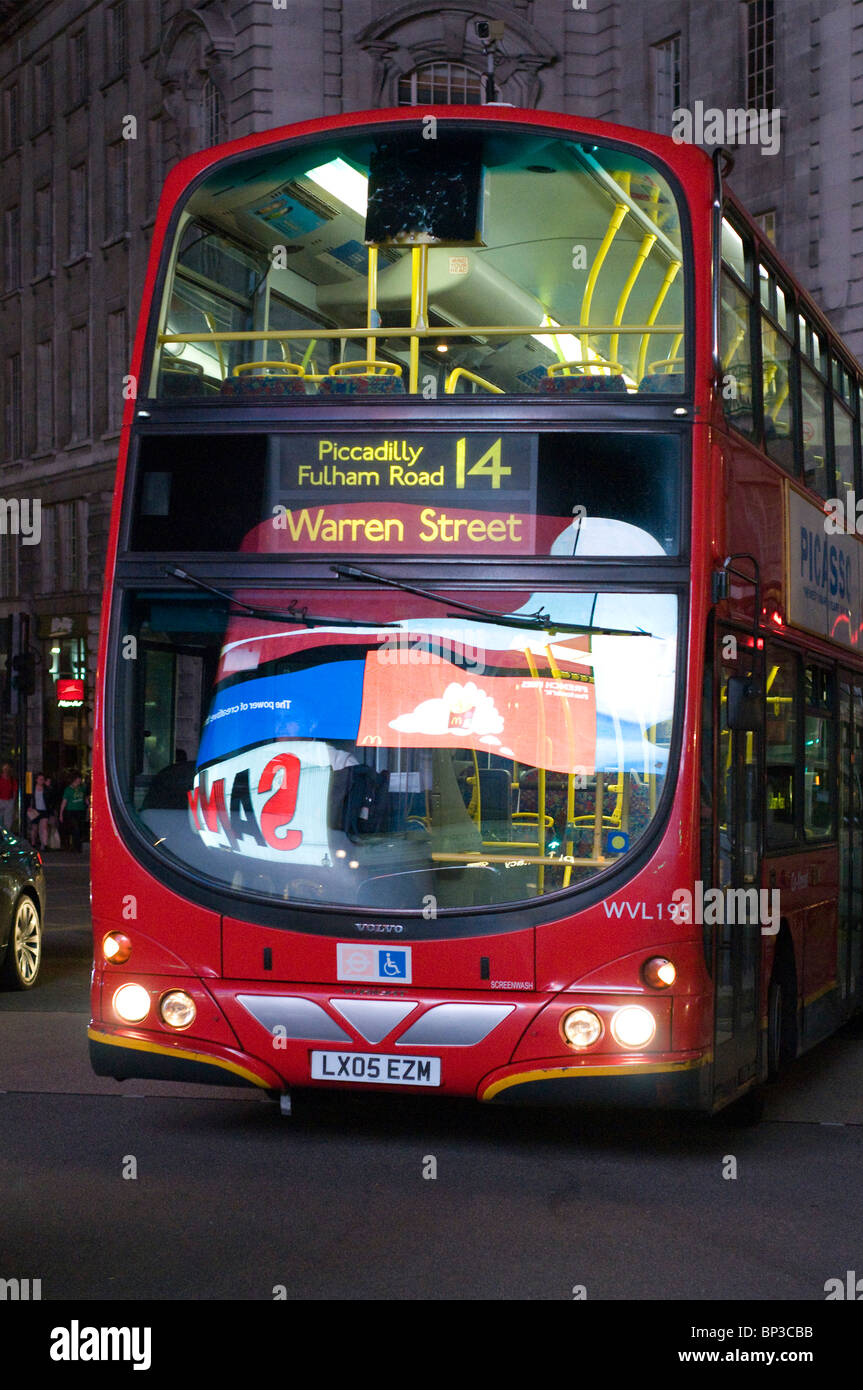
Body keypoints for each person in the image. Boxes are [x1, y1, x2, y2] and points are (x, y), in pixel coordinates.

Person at [25, 773, 57, 849]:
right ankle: (33, 843)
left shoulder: (46, 789)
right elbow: (28, 798)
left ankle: (44, 844)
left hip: (44, 810)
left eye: (43, 779)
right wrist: (28, 806)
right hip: (34, 810)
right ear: (36, 780)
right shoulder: (32, 789)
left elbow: (51, 799)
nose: (41, 781)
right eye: (40, 779)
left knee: (44, 827)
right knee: (34, 828)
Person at [60, 772, 88, 853]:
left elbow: (85, 798)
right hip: (71, 811)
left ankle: (77, 845)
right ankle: (76, 846)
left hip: (80, 810)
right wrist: (61, 814)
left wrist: (88, 805)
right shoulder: (68, 790)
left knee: (80, 827)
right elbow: (64, 802)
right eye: (77, 780)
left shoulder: (82, 788)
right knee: (75, 828)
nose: (79, 782)